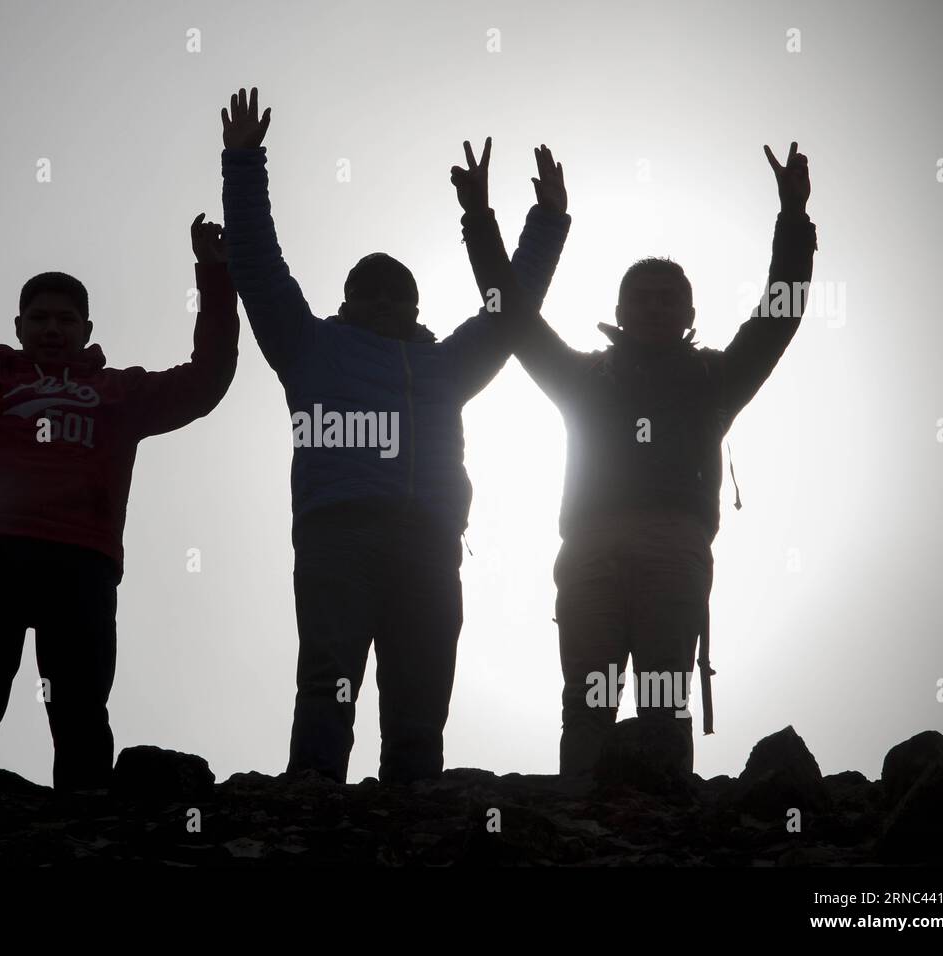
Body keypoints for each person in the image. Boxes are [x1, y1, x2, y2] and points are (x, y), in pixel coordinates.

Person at [218, 88, 572, 783]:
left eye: (397, 296)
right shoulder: (308, 346)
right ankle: (312, 808)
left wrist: (540, 222)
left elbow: (508, 312)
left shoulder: (444, 365)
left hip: (429, 544)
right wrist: (242, 161)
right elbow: (258, 266)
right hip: (337, 536)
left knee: (419, 702)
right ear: (345, 300)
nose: (382, 304)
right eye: (368, 294)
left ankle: (413, 822)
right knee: (329, 681)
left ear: (416, 305)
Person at [0, 140, 238, 791]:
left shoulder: (119, 394)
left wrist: (216, 279)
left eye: (66, 319)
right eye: (39, 317)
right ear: (19, 323)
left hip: (81, 561)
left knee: (81, 713)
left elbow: (207, 380)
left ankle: (87, 835)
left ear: (88, 331)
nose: (53, 328)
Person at [463, 141, 817, 781]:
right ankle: (580, 823)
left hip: (675, 543)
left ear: (688, 313)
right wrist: (482, 221)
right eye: (642, 298)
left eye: (667, 298)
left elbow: (779, 314)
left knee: (662, 703)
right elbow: (512, 316)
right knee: (587, 705)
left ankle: (663, 823)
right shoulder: (582, 377)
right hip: (591, 545)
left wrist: (793, 219)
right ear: (620, 310)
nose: (655, 307)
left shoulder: (716, 378)